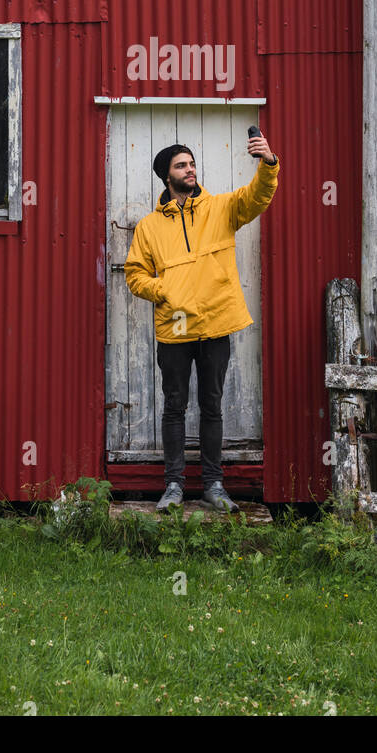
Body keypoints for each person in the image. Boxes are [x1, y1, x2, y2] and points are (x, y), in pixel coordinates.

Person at [124, 132, 279, 513]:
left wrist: (269, 163)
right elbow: (134, 275)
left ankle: (213, 484)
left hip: (215, 322)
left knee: (212, 406)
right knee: (174, 406)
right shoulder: (149, 227)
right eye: (182, 165)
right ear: (166, 176)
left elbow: (258, 196)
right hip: (175, 323)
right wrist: (165, 291)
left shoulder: (222, 208)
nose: (190, 170)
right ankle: (174, 486)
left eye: (192, 164)